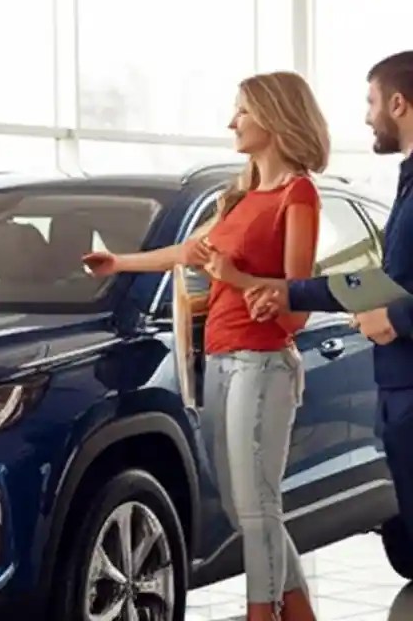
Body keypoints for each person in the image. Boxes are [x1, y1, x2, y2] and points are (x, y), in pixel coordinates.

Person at [84, 71, 328, 621]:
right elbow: (190, 253)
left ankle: (261, 613)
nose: (232, 121)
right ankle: (298, 611)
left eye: (242, 111)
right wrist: (119, 262)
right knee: (248, 509)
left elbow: (298, 303)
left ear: (273, 116)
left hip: (262, 363)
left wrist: (241, 282)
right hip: (218, 360)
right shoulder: (238, 197)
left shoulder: (298, 194)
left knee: (257, 504)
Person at [246, 51, 413, 549]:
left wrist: (399, 316)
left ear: (400, 104)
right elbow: (384, 281)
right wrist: (290, 290)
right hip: (399, 384)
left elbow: (393, 299)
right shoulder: (406, 180)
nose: (367, 116)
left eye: (371, 102)